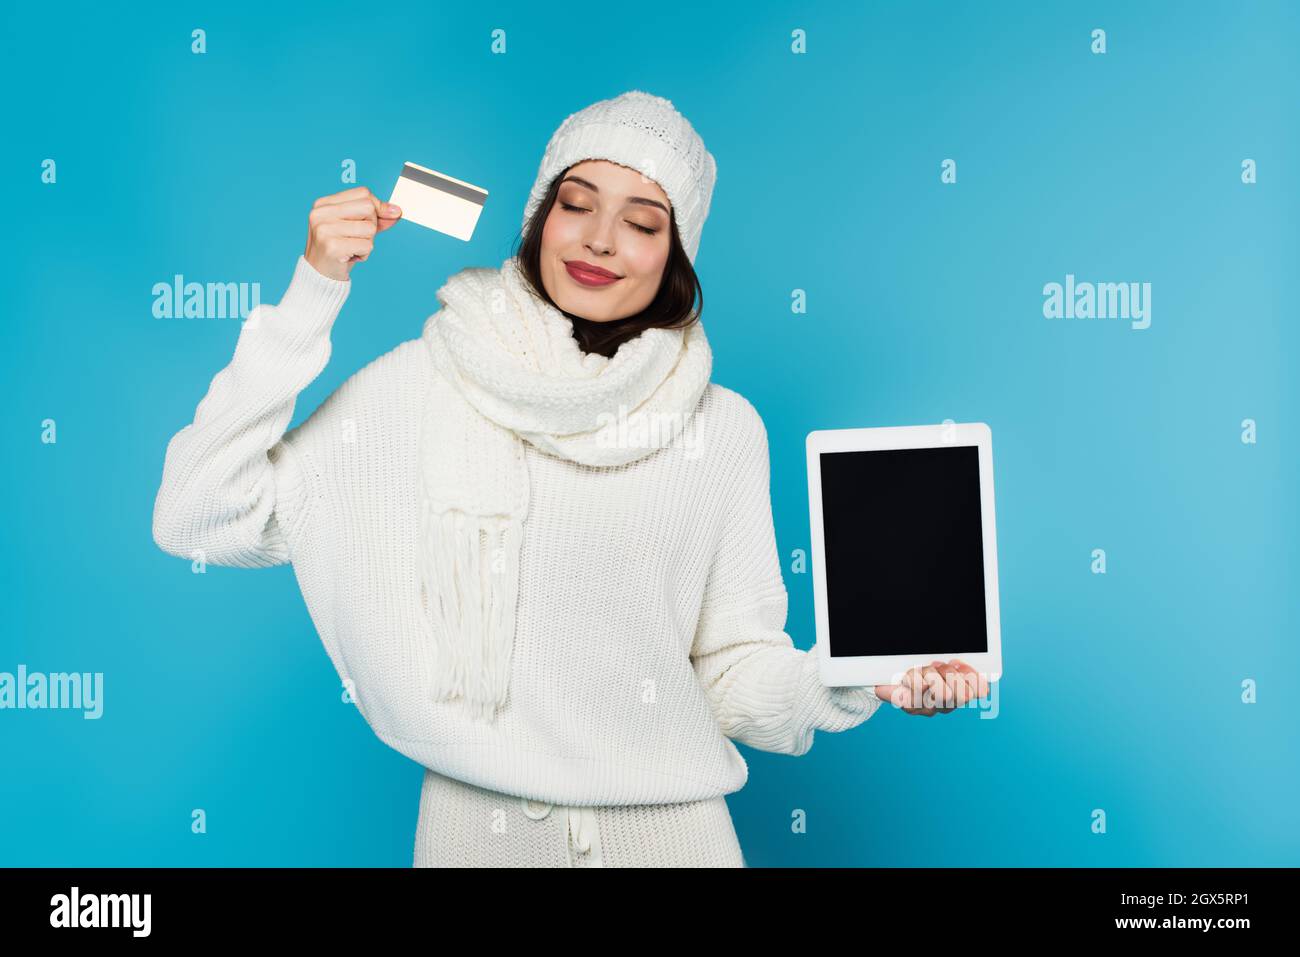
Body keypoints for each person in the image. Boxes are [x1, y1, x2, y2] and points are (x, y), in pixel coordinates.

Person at [151, 89, 987, 868]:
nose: (597, 240)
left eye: (641, 222)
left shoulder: (722, 426)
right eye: (576, 205)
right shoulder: (420, 383)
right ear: (538, 220)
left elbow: (731, 673)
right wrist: (311, 294)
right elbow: (199, 513)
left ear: (677, 254)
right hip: (473, 838)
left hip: (675, 840)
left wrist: (850, 677)